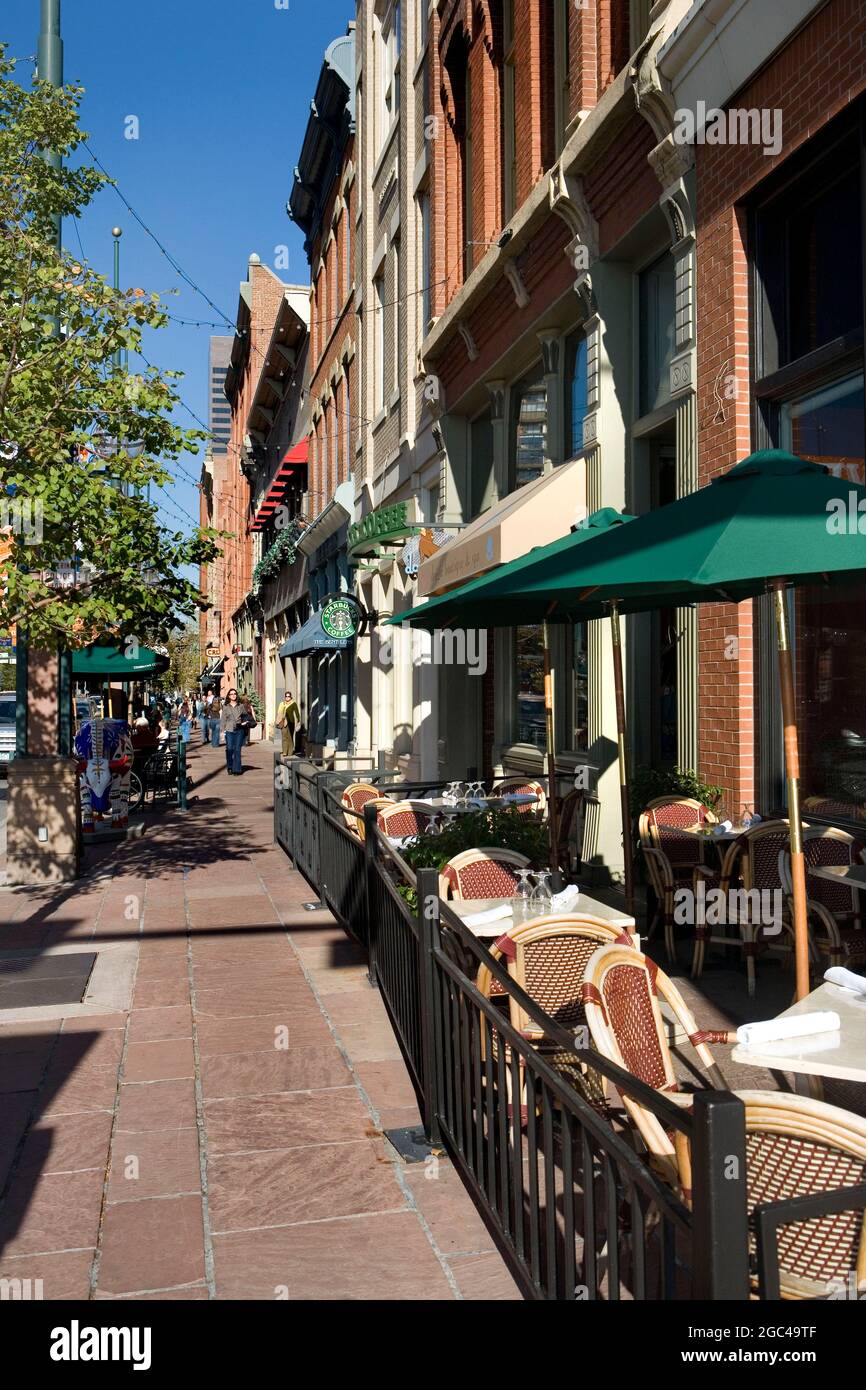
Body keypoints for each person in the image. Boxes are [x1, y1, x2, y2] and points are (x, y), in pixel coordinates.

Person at [220, 688, 247, 774]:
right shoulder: (226, 707)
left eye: (235, 693)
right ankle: (230, 766)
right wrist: (222, 731)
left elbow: (245, 716)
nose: (233, 695)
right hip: (229, 730)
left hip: (239, 730)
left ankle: (237, 769)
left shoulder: (241, 706)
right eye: (231, 694)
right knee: (230, 749)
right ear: (228, 696)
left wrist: (244, 722)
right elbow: (223, 720)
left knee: (237, 749)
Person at [275, 690, 301, 760]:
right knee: (284, 736)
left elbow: (297, 712)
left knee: (290, 737)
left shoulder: (293, 703)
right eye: (286, 696)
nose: (287, 697)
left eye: (288, 696)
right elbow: (279, 713)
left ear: (291, 697)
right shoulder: (282, 704)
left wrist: (298, 719)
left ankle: (290, 751)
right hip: (283, 722)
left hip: (291, 722)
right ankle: (284, 751)